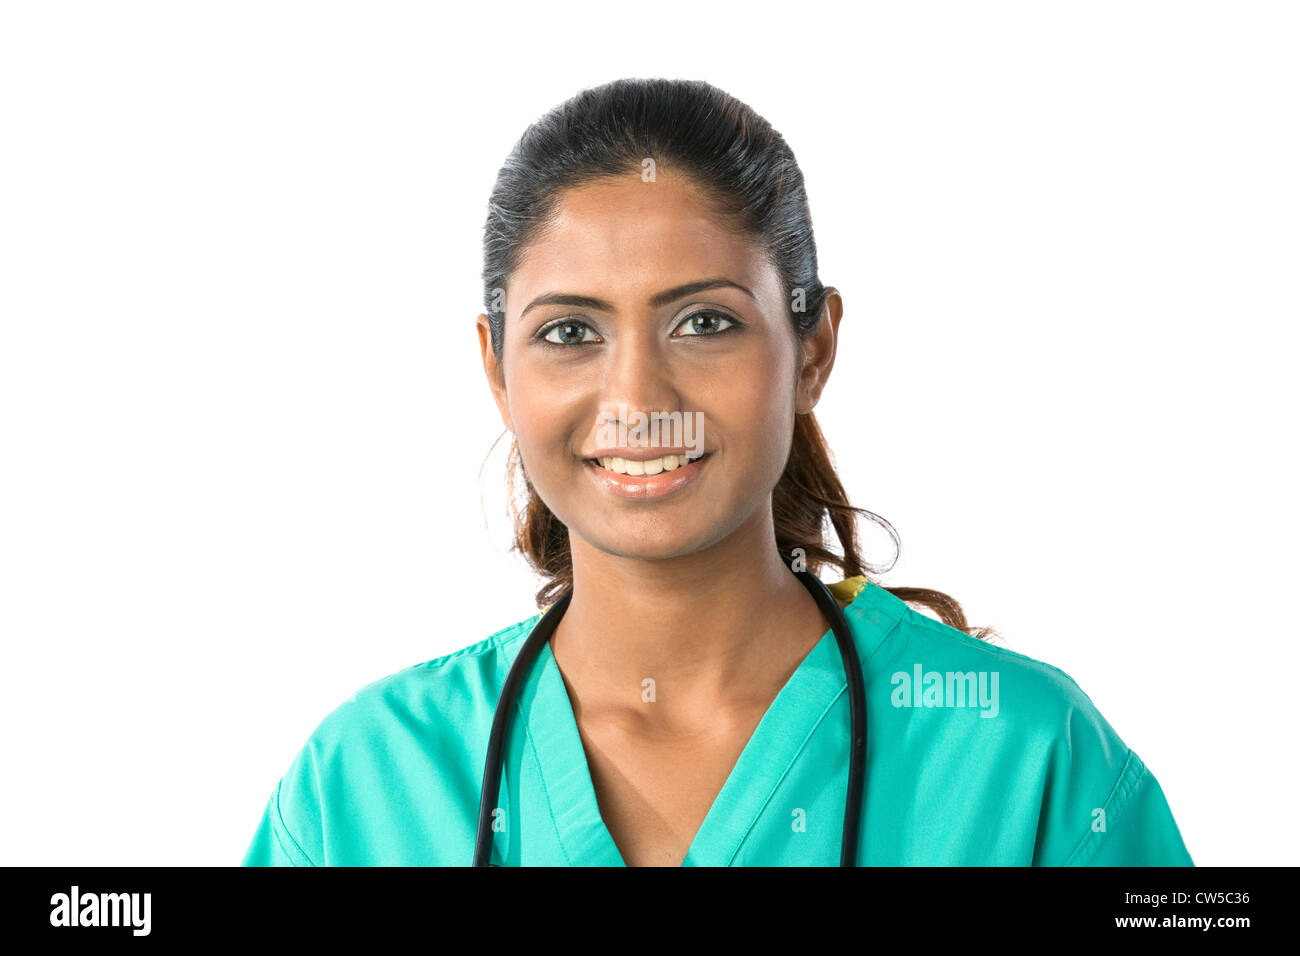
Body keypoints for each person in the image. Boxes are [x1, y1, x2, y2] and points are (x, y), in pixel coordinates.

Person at [240, 78, 1193, 867]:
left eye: (704, 322)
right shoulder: (358, 792)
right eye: (569, 332)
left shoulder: (1030, 767)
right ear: (496, 369)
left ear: (813, 347)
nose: (638, 393)